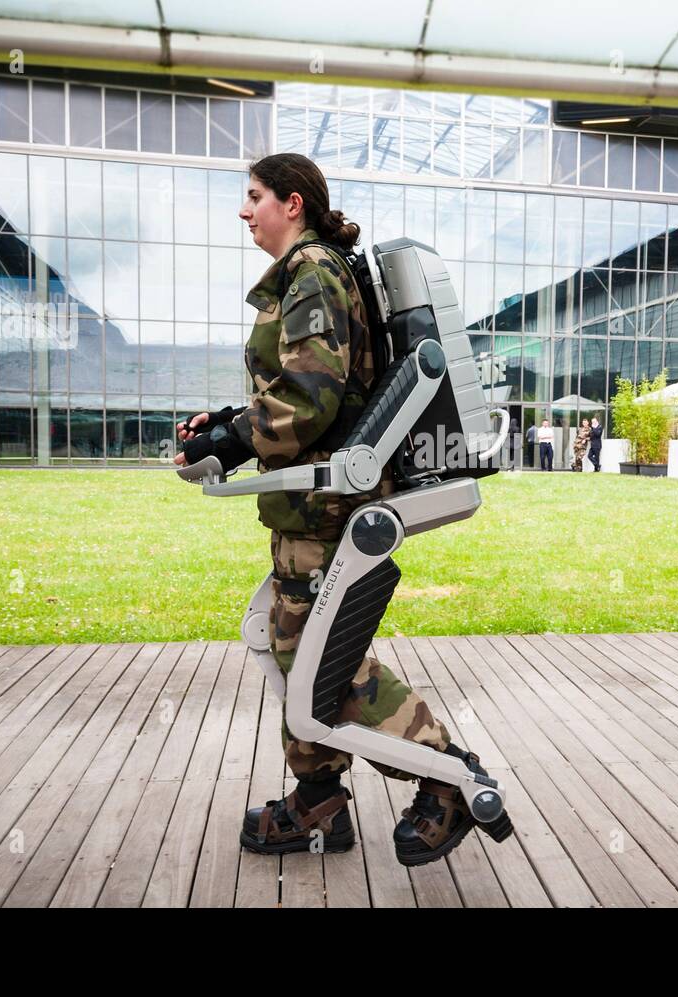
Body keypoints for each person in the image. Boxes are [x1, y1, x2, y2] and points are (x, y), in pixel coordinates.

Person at [173, 152, 480, 866]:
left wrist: (231, 437)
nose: (244, 211)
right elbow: (310, 388)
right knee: (293, 653)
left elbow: (312, 398)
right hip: (306, 503)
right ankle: (319, 802)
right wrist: (228, 421)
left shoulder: (314, 272)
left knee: (325, 670)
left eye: (254, 197)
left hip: (325, 506)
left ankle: (449, 780)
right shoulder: (312, 272)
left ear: (293, 203)